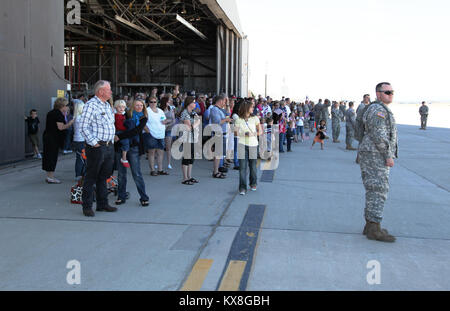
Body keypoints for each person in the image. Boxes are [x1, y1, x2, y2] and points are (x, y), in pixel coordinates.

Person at [359, 82, 398, 242]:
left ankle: (370, 225)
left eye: (392, 92)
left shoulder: (377, 108)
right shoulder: (378, 110)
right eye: (387, 92)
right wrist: (388, 155)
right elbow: (379, 135)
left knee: (374, 189)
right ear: (378, 93)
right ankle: (374, 228)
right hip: (376, 154)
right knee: (378, 189)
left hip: (372, 153)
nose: (390, 94)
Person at [79, 80, 117, 217]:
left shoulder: (107, 105)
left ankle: (102, 204)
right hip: (97, 147)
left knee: (104, 176)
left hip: (108, 145)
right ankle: (87, 206)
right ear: (101, 91)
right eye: (109, 89)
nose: (111, 92)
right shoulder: (91, 105)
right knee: (91, 177)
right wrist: (94, 142)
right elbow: (83, 126)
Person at [114, 99, 150, 207]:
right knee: (121, 174)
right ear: (133, 106)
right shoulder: (126, 115)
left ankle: (144, 197)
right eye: (137, 105)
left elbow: (136, 131)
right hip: (121, 146)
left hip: (133, 147)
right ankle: (121, 196)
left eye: (141, 105)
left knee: (136, 173)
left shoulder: (143, 118)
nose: (139, 107)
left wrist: (119, 136)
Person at [42, 98, 75, 184]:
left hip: (49, 137)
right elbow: (61, 127)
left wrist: (64, 114)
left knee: (49, 156)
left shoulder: (52, 112)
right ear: (62, 106)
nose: (68, 107)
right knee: (52, 157)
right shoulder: (57, 114)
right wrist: (70, 123)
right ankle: (50, 177)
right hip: (53, 139)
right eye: (66, 105)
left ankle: (49, 176)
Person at [234, 101, 262, 195]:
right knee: (242, 167)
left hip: (253, 145)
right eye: (251, 107)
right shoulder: (238, 120)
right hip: (242, 144)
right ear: (246, 108)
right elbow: (235, 133)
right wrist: (245, 134)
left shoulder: (255, 118)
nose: (253, 108)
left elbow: (260, 132)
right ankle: (242, 188)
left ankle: (253, 183)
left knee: (253, 167)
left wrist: (253, 134)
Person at [145, 96, 170, 176]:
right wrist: (147, 130)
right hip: (151, 133)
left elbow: (163, 120)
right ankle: (152, 170)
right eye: (151, 102)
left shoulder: (160, 111)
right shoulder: (147, 111)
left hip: (160, 134)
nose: (153, 103)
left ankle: (160, 169)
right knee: (151, 152)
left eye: (154, 102)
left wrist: (166, 121)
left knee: (160, 152)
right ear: (148, 103)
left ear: (157, 102)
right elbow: (142, 122)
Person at [179, 96, 201, 185]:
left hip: (194, 137)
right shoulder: (185, 113)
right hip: (186, 138)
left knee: (192, 157)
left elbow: (198, 121)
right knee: (187, 157)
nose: (195, 104)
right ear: (189, 103)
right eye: (194, 102)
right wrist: (196, 123)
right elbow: (189, 127)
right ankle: (184, 178)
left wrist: (195, 124)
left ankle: (189, 176)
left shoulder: (193, 112)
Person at [210, 95, 232, 178]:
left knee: (219, 154)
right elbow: (217, 121)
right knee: (217, 153)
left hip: (222, 133)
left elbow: (228, 113)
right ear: (220, 101)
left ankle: (217, 170)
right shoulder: (214, 109)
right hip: (217, 133)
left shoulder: (221, 109)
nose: (225, 103)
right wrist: (226, 120)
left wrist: (228, 105)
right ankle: (215, 171)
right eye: (224, 101)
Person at [114, 100, 131, 168]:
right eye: (119, 107)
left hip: (123, 131)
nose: (121, 108)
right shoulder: (114, 115)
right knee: (126, 142)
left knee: (126, 143)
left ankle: (124, 157)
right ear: (116, 107)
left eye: (123, 107)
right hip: (118, 131)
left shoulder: (124, 115)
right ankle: (124, 158)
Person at [160, 96, 176, 170]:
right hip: (160, 130)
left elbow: (173, 120)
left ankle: (169, 163)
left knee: (168, 147)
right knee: (160, 148)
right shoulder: (160, 110)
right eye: (168, 101)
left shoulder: (171, 109)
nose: (169, 102)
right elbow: (159, 120)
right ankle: (159, 163)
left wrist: (167, 124)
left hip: (169, 129)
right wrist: (166, 122)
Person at [72, 99, 86, 181]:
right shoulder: (79, 118)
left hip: (77, 139)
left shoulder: (76, 117)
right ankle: (79, 174)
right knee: (82, 158)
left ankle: (79, 174)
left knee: (79, 157)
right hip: (81, 140)